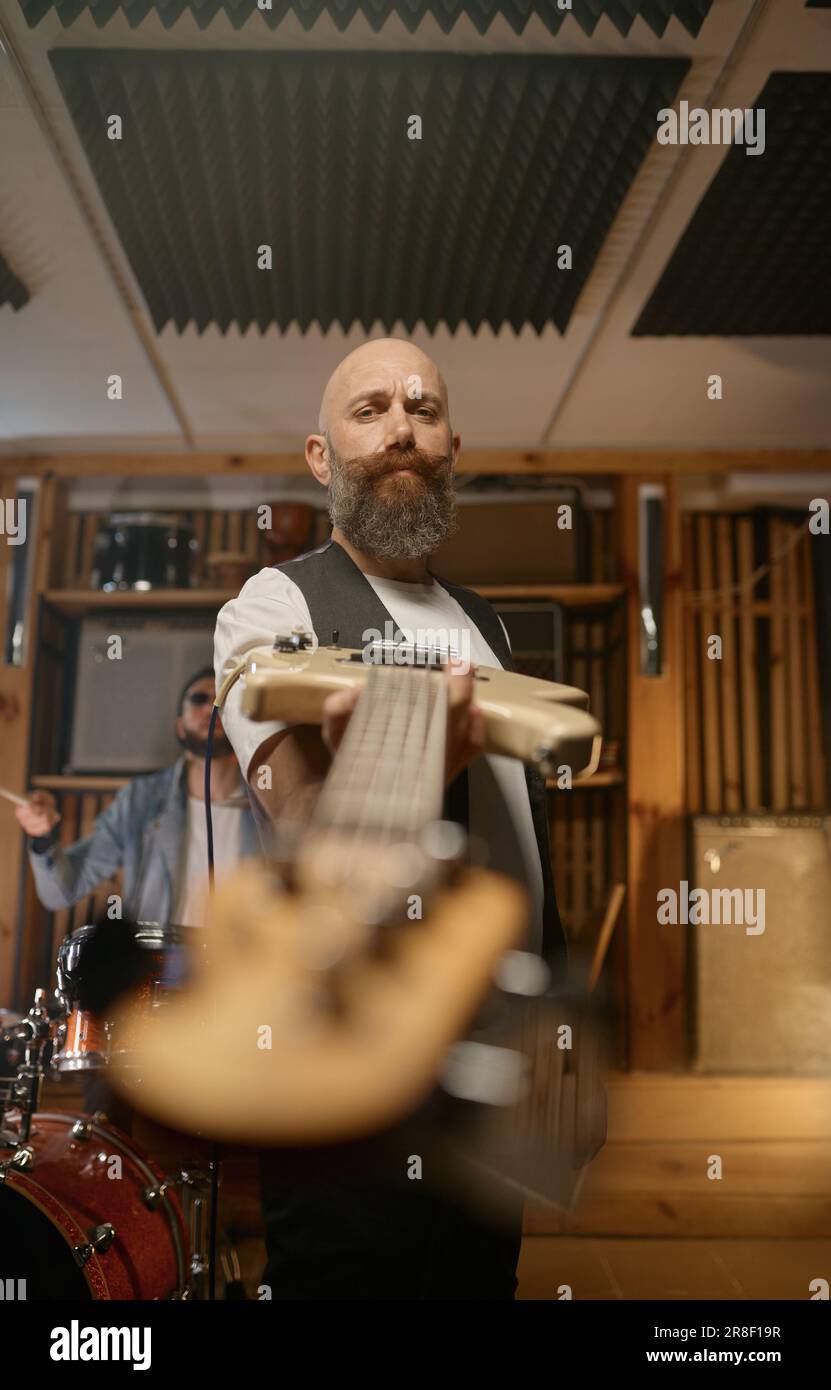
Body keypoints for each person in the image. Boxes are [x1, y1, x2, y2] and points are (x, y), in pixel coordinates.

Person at [215, 338, 602, 1299]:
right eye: (371, 409)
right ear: (320, 455)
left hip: (491, 1075)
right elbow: (301, 821)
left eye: (423, 411)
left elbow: (523, 864)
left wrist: (559, 1038)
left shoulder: (490, 627)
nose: (401, 430)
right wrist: (406, 773)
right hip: (351, 1078)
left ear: (451, 446)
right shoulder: (274, 607)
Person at [17, 667, 259, 927]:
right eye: (199, 699)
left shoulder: (268, 804)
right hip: (160, 963)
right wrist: (43, 839)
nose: (211, 708)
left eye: (223, 699)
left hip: (246, 964)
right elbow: (61, 892)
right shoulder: (140, 800)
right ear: (180, 727)